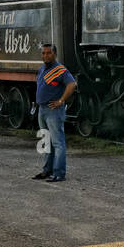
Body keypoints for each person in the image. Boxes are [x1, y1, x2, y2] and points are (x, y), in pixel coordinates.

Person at [32, 43, 76, 183]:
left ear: (54, 54)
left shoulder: (60, 70)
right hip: (42, 109)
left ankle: (59, 173)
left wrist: (61, 100)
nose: (45, 55)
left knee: (57, 143)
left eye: (48, 53)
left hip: (53, 110)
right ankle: (47, 171)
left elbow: (72, 84)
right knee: (46, 141)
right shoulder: (41, 69)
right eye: (43, 53)